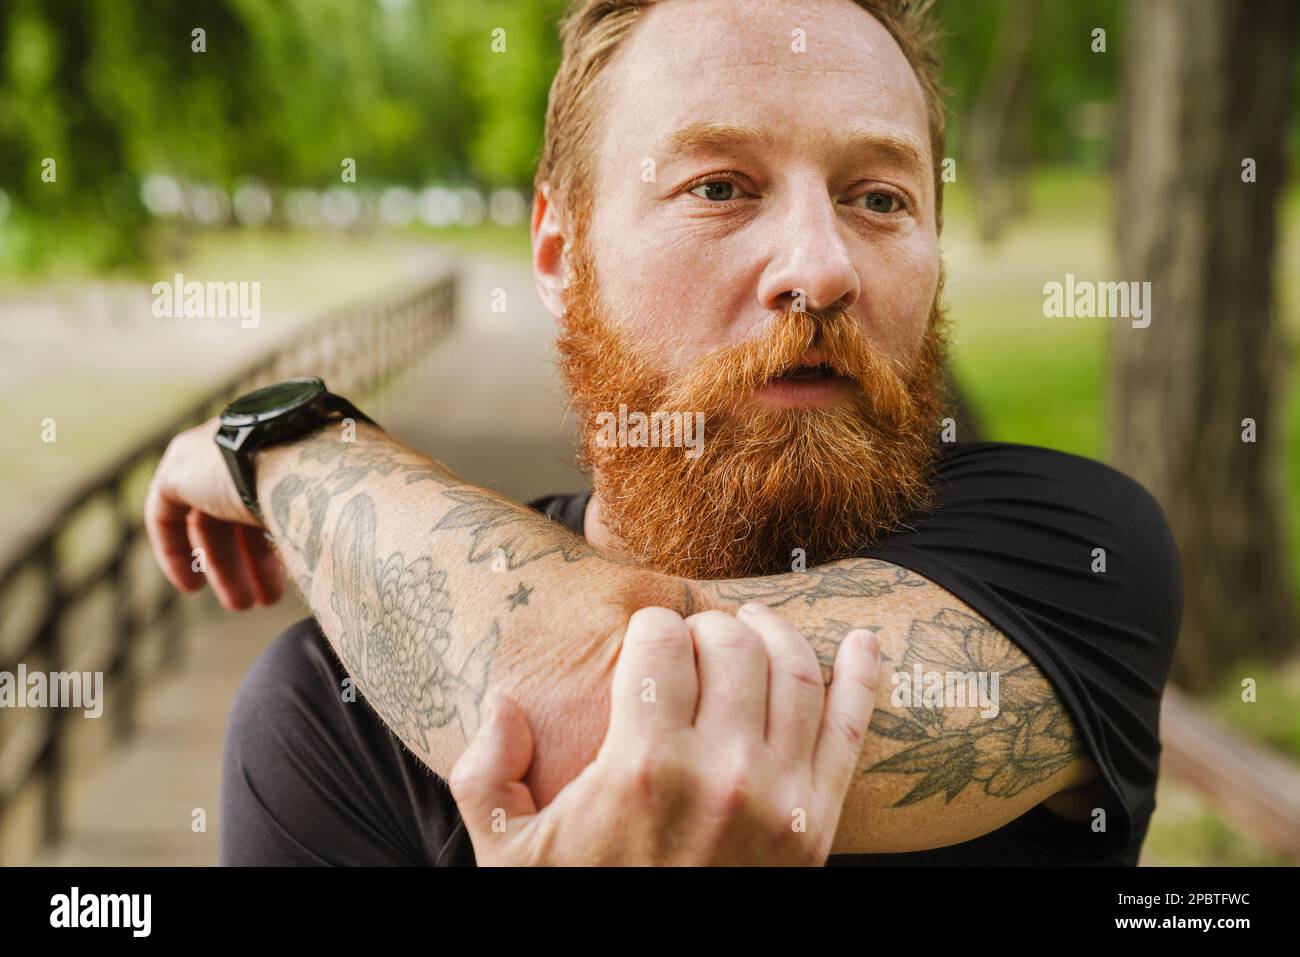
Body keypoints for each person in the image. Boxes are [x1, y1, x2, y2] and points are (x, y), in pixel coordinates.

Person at [145, 0, 1181, 865]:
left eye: (878, 197)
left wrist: (291, 445)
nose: (821, 269)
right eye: (719, 188)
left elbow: (588, 692)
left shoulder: (1076, 547)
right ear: (560, 253)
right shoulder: (329, 713)